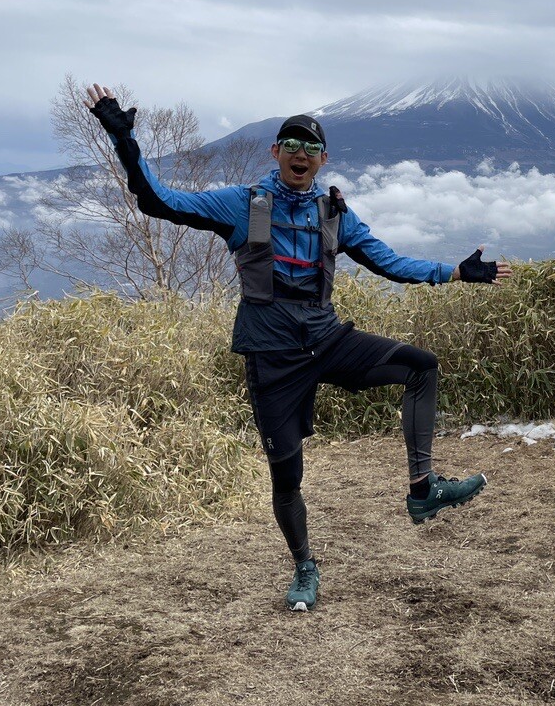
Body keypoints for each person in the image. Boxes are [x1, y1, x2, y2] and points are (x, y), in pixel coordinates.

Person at [85, 84, 510, 613]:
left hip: (328, 340)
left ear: (323, 159)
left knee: (421, 366)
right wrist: (123, 139)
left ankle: (422, 489)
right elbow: (157, 200)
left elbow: (390, 262)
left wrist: (453, 272)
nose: (300, 154)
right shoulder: (244, 206)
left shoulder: (333, 213)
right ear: (276, 153)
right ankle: (305, 567)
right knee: (287, 476)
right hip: (272, 356)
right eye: (291, 144)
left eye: (310, 147)